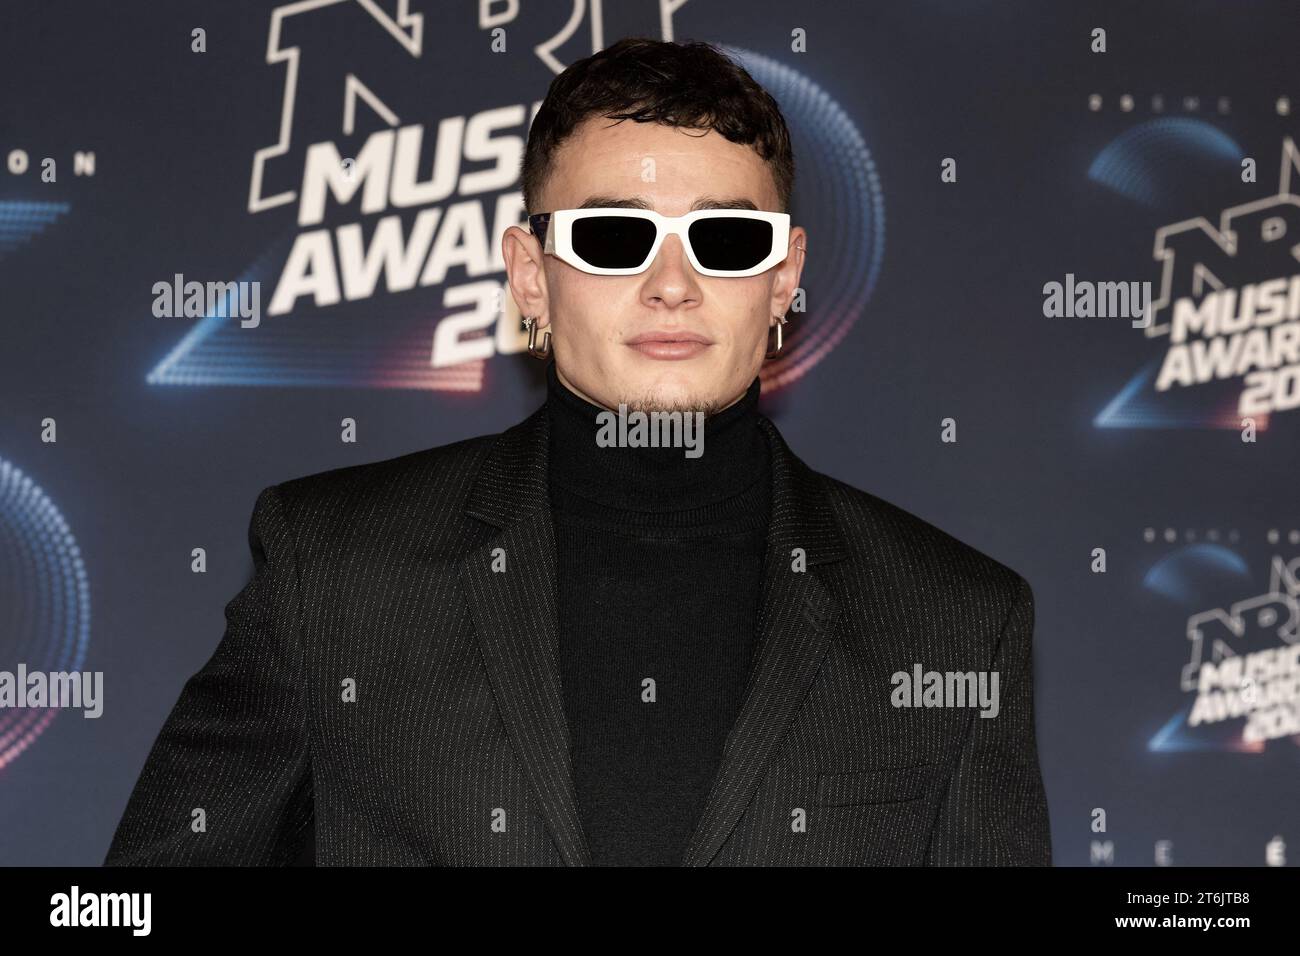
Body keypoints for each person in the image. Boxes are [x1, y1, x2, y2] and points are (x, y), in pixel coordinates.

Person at [105, 36, 1050, 867]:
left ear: (783, 278)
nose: (671, 284)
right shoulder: (334, 570)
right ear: (530, 277)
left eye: (724, 238)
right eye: (612, 237)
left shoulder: (952, 622)